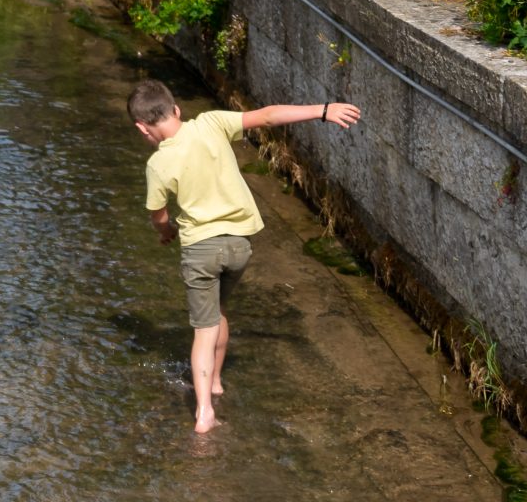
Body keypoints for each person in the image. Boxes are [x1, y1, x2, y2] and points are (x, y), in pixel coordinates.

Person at [129, 79, 361, 433]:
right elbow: (267, 116)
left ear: (141, 127)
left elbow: (158, 213)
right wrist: (323, 110)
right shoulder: (210, 122)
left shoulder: (158, 164)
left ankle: (204, 410)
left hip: (201, 249)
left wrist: (165, 232)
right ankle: (217, 381)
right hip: (239, 246)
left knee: (203, 330)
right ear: (176, 110)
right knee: (219, 310)